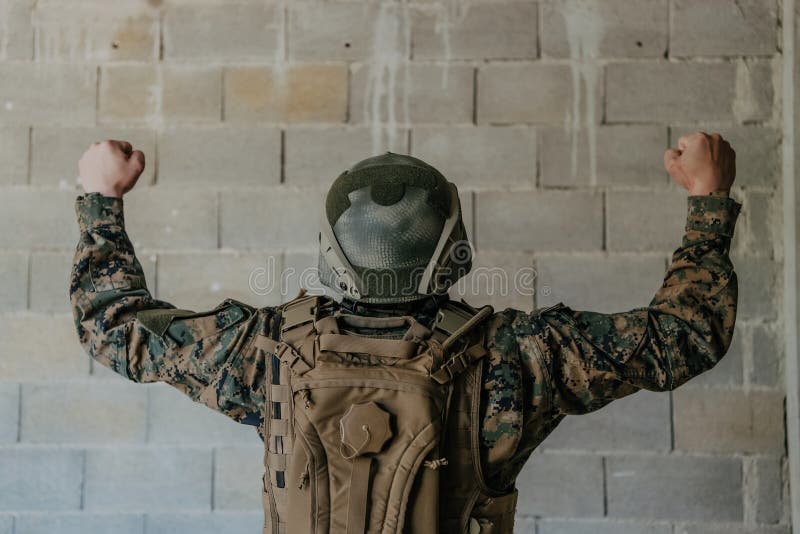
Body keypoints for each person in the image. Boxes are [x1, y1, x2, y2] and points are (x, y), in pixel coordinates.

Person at [70, 132, 739, 534]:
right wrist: (708, 202)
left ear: (333, 252)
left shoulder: (265, 350)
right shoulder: (518, 356)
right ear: (454, 249)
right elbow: (689, 335)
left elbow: (113, 326)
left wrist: (102, 198)